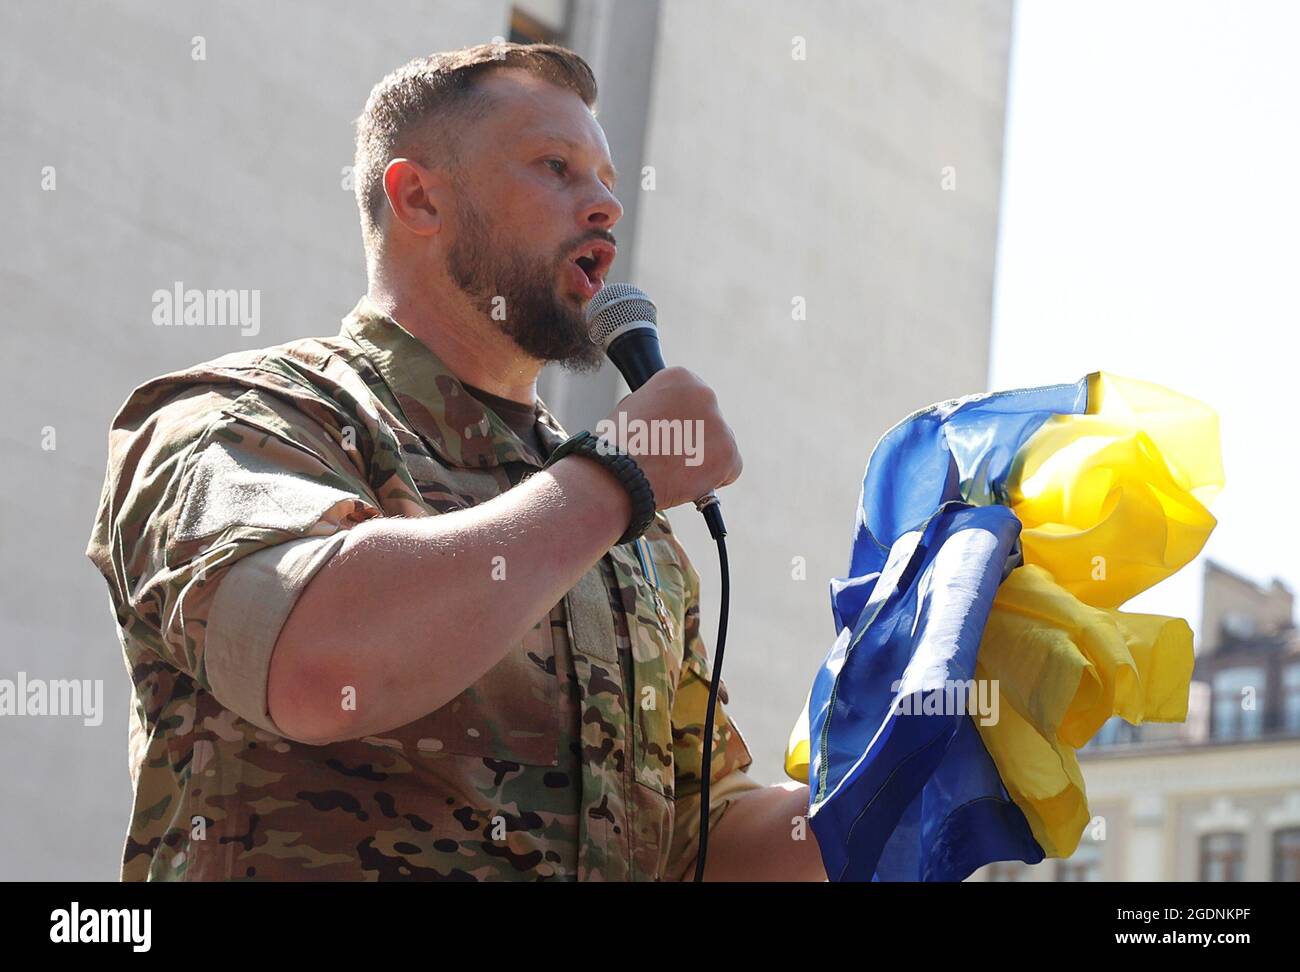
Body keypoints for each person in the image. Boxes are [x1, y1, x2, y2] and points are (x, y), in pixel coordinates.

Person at [86, 41, 824, 881]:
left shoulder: (637, 544)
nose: (605, 208)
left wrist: (909, 770)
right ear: (419, 198)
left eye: (610, 184)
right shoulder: (241, 418)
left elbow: (705, 842)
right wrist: (618, 474)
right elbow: (317, 663)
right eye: (557, 166)